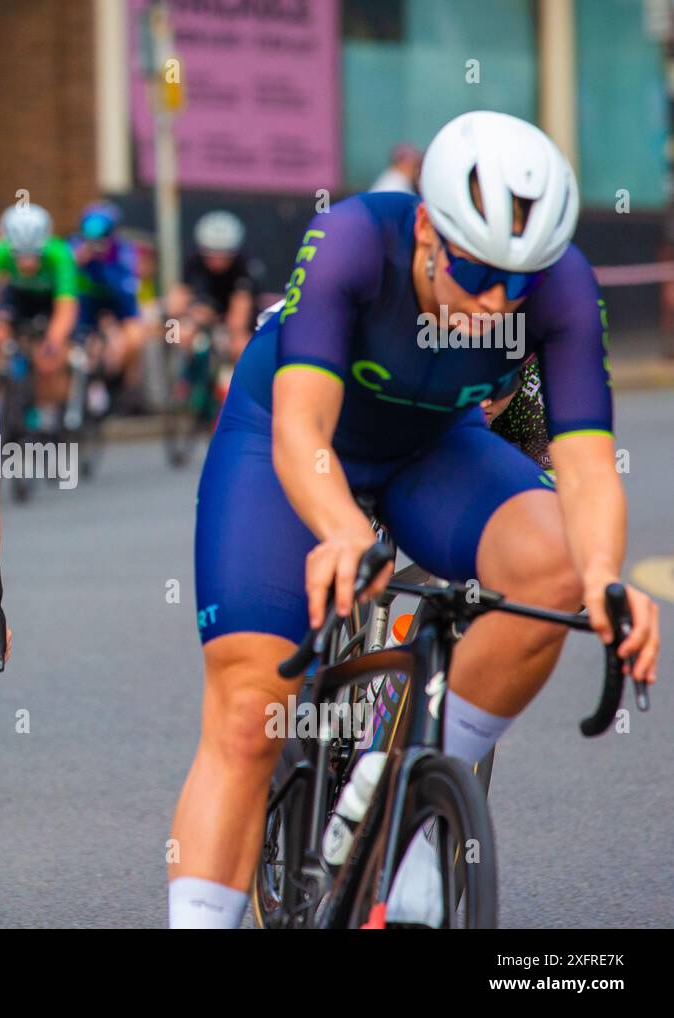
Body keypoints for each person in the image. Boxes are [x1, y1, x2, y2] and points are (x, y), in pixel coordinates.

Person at [173, 110, 659, 929]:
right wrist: (338, 527)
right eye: (476, 271)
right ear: (429, 229)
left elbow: (583, 460)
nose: (497, 300)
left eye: (522, 281)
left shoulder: (564, 284)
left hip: (435, 445)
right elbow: (301, 428)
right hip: (291, 437)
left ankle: (412, 809)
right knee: (251, 707)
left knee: (558, 568)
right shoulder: (354, 239)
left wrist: (607, 576)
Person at [0, 203, 79, 431]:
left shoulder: (59, 254)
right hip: (17, 299)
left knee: (48, 359)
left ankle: (48, 409)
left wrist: (53, 341)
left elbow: (66, 308)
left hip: (50, 302)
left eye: (33, 256)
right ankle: (0, 390)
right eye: (20, 256)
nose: (27, 263)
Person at [70, 201, 145, 411]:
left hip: (118, 305)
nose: (95, 245)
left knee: (135, 338)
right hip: (86, 306)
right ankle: (88, 386)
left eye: (101, 240)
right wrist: (77, 262)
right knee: (85, 346)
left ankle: (125, 389)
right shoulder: (73, 248)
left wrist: (104, 267)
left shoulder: (124, 252)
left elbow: (126, 291)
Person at [170, 210, 258, 363]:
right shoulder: (193, 263)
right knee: (176, 335)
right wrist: (187, 317)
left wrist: (214, 322)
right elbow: (176, 304)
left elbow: (238, 320)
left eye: (222, 254)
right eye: (211, 254)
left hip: (229, 327)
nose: (216, 260)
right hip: (197, 322)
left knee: (241, 346)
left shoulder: (244, 268)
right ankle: (182, 382)